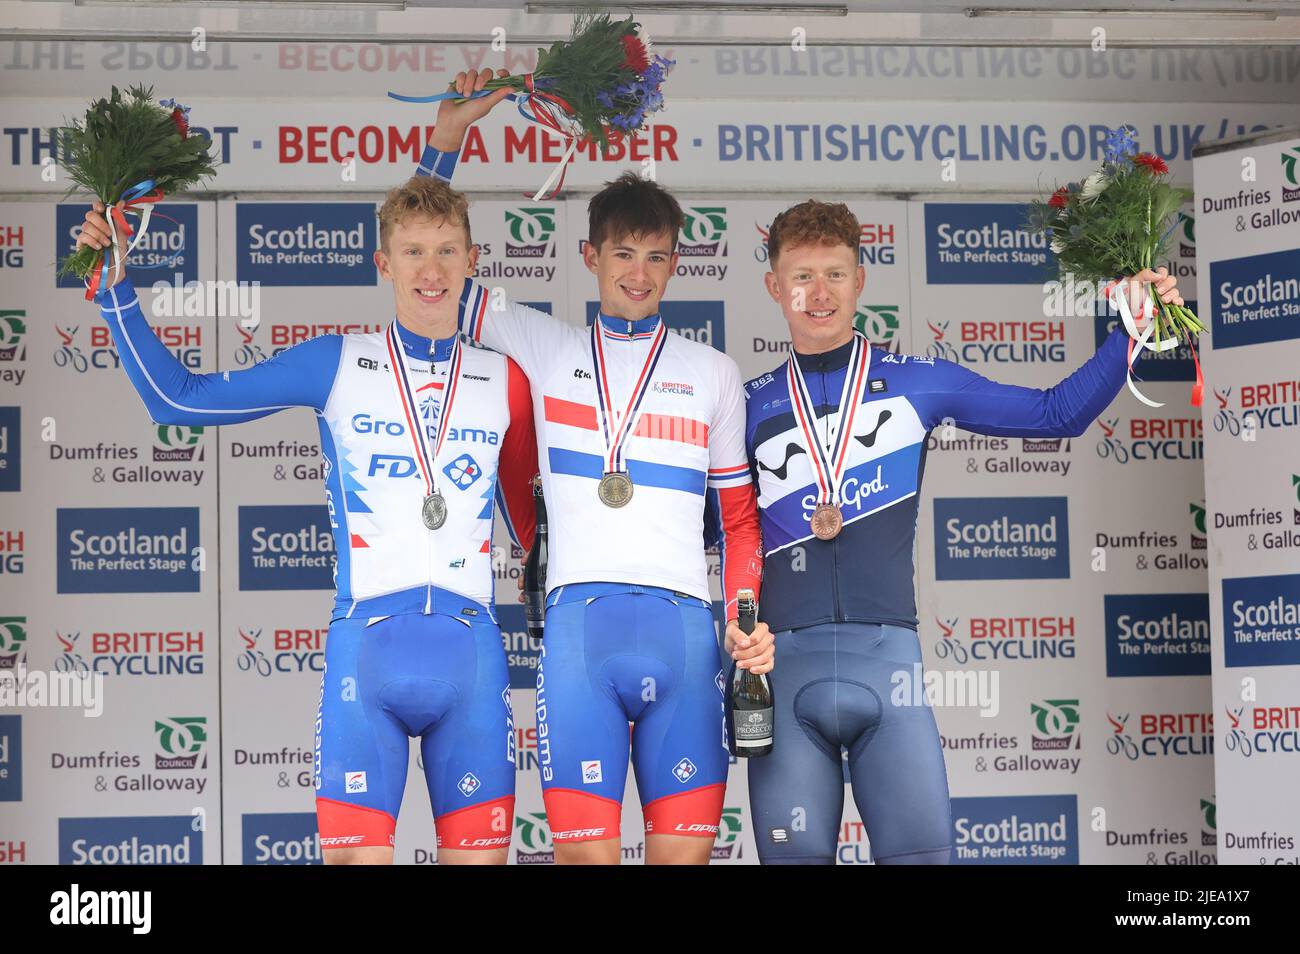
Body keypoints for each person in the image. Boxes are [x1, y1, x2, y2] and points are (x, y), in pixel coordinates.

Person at [75, 161, 539, 865]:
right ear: (383, 262)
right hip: (367, 651)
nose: (432, 269)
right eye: (413, 251)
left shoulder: (505, 377)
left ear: (473, 260)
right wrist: (116, 294)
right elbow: (180, 401)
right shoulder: (337, 363)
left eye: (447, 250)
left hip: (471, 651)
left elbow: (538, 526)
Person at [744, 198, 1184, 865]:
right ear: (775, 286)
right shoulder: (744, 405)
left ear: (861, 280)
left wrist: (1130, 333)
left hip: (888, 670)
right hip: (784, 674)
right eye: (801, 275)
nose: (819, 292)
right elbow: (706, 530)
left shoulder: (919, 383)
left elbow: (1054, 415)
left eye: (835, 273)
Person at [414, 68, 773, 865]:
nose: (638, 272)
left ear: (677, 263)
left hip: (686, 634)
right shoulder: (546, 349)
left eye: (655, 256)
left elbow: (740, 521)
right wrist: (444, 144)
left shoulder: (713, 373)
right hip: (579, 634)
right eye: (622, 253)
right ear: (590, 255)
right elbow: (430, 268)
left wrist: (744, 619)